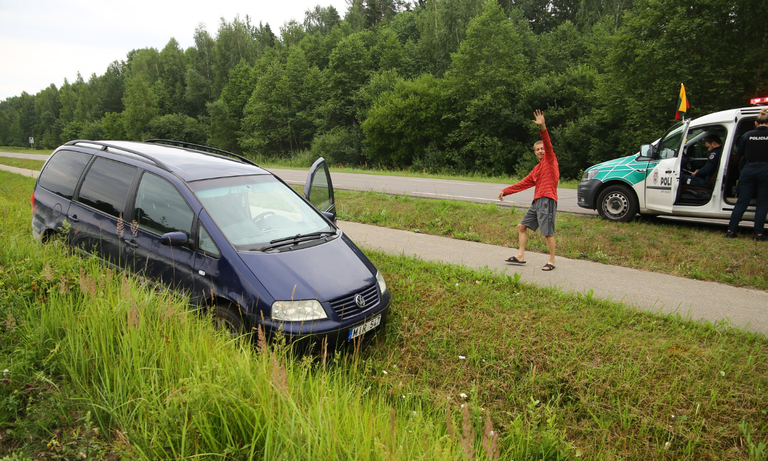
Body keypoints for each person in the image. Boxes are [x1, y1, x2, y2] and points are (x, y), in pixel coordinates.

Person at [498, 110, 560, 271]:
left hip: (547, 200)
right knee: (521, 227)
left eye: (542, 148)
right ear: (534, 152)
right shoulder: (537, 169)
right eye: (537, 149)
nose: (541, 150)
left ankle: (552, 261)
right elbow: (523, 183)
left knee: (548, 232)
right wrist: (506, 191)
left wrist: (543, 127)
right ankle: (520, 255)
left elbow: (548, 143)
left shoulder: (550, 160)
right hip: (537, 201)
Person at [726, 108, 768, 241]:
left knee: (742, 202)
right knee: (762, 203)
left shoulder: (747, 135)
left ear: (756, 123)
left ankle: (731, 231)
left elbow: (739, 154)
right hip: (765, 170)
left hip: (748, 170)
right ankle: (758, 234)